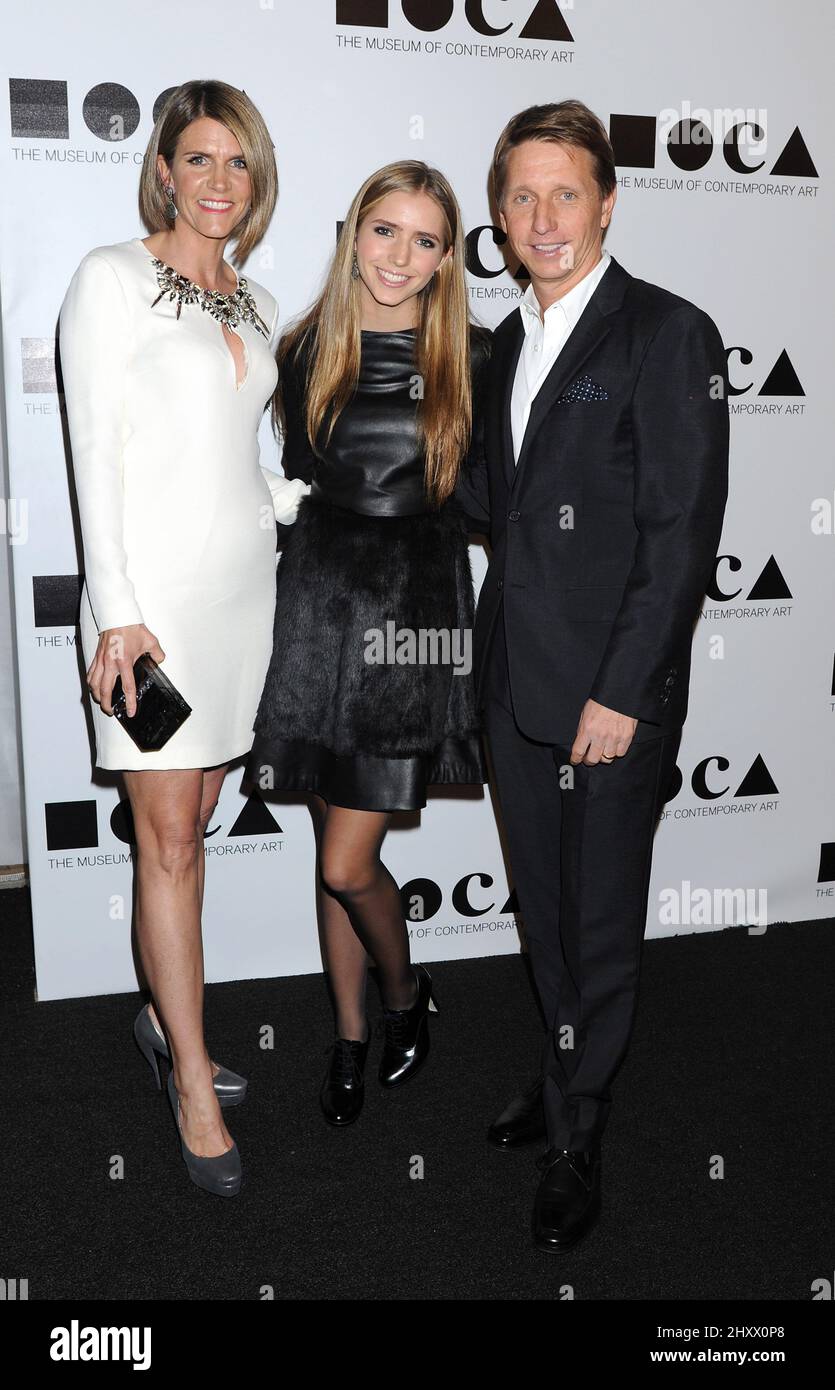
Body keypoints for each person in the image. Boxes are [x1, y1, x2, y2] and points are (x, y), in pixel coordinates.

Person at [455, 100, 729, 1251]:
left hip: (608, 699)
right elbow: (482, 509)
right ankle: (561, 1067)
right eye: (520, 196)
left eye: (564, 192)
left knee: (602, 925)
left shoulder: (669, 335)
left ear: (607, 203)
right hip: (516, 686)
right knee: (548, 918)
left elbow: (680, 535)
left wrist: (621, 692)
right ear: (500, 220)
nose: (541, 216)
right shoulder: (502, 345)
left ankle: (580, 1135)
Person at [59, 79, 309, 1198]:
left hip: (240, 600)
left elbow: (223, 452)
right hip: (147, 611)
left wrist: (302, 498)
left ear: (257, 181)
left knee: (196, 824)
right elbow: (97, 455)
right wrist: (117, 609)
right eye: (198, 160)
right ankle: (194, 1080)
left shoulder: (253, 304)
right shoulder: (109, 281)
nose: (218, 182)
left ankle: (170, 1024)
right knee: (166, 841)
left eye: (238, 163)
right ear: (163, 167)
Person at [245, 161, 491, 1126]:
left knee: (351, 863)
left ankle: (404, 996)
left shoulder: (474, 354)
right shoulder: (305, 346)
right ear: (354, 233)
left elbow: (481, 495)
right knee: (325, 847)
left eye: (424, 240)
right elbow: (296, 483)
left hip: (415, 616)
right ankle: (349, 1034)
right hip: (314, 613)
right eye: (384, 231)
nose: (399, 256)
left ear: (445, 258)